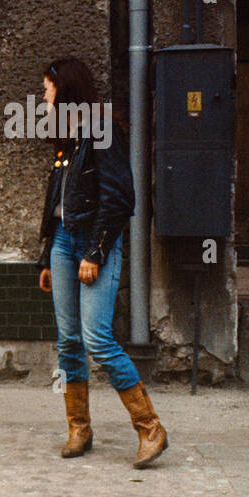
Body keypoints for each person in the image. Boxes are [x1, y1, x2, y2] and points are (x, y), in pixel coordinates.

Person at [37, 57, 168, 467]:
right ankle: (79, 428)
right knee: (68, 340)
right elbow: (55, 203)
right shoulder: (67, 134)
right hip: (62, 242)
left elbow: (118, 199)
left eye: (47, 88)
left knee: (96, 339)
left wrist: (95, 252)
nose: (43, 96)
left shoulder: (102, 130)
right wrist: (47, 256)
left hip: (94, 242)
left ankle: (150, 428)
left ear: (66, 88)